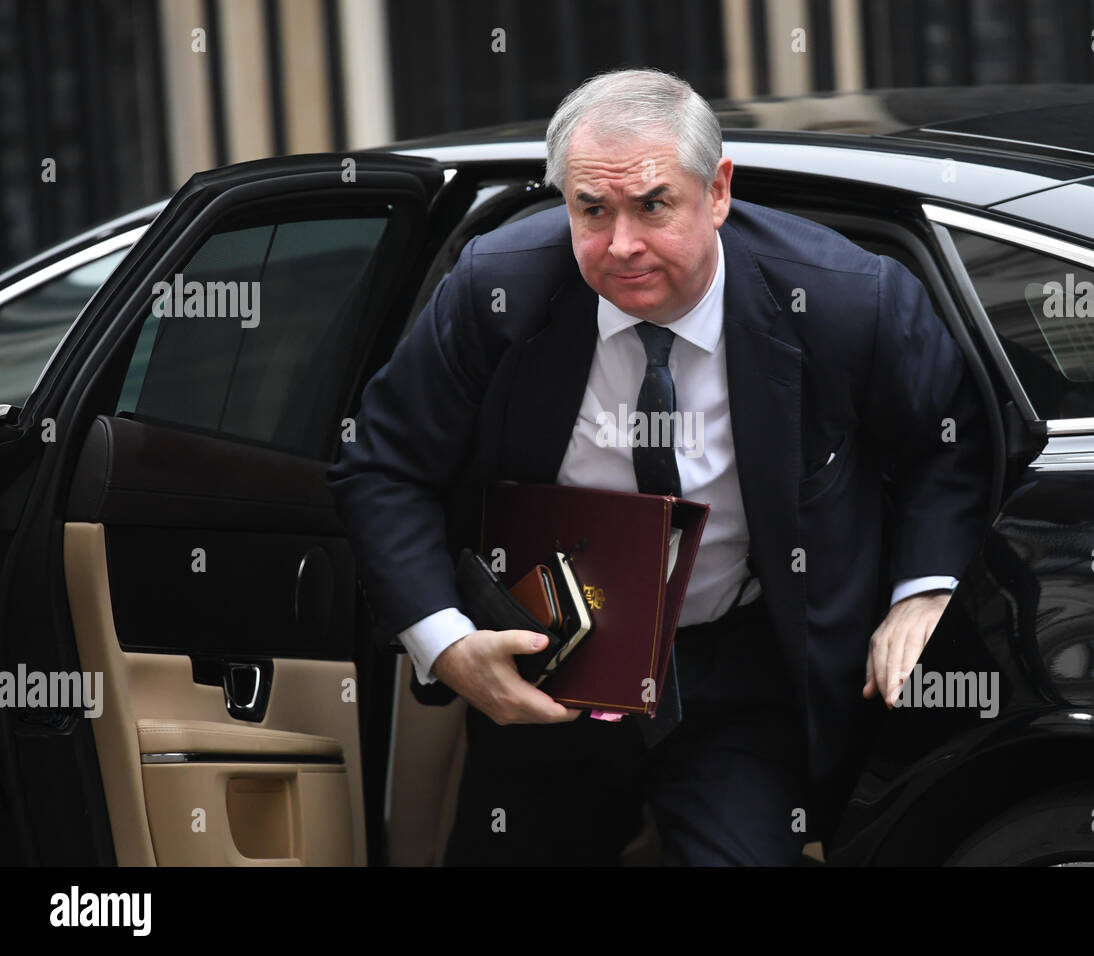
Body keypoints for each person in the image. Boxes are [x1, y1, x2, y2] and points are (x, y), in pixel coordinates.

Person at [325, 68, 992, 865]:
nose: (622, 245)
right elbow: (381, 464)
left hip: (746, 671)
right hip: (552, 658)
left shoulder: (847, 299)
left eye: (652, 204)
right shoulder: (497, 289)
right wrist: (448, 643)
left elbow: (950, 443)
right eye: (591, 210)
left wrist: (923, 591)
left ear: (717, 191)